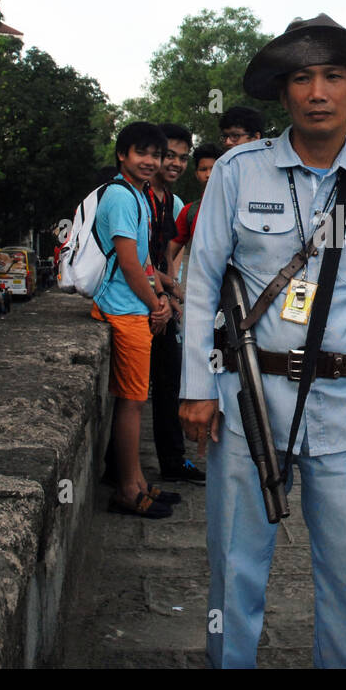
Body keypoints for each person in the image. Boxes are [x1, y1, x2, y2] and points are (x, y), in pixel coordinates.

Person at [179, 14, 346, 669]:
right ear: (284, 93)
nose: (318, 91)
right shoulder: (237, 172)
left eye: (334, 76)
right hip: (247, 405)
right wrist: (196, 388)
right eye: (302, 77)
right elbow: (201, 283)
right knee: (235, 572)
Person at [93, 122, 177, 518]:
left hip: (136, 305)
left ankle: (138, 481)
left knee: (134, 401)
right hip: (123, 309)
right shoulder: (122, 197)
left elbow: (144, 260)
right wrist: (155, 303)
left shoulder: (138, 195)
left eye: (156, 155)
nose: (151, 162)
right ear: (122, 155)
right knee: (131, 403)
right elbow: (129, 264)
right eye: (141, 153)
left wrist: (161, 293)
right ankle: (127, 489)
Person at [145, 122, 204, 486]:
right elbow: (135, 259)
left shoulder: (170, 201)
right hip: (139, 303)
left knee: (167, 383)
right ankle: (124, 473)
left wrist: (169, 293)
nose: (176, 163)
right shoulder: (138, 196)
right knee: (136, 394)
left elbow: (165, 257)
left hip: (158, 300)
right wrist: (166, 294)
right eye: (170, 155)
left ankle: (171, 460)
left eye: (183, 158)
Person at [168, 142, 223, 271]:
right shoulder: (189, 212)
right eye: (203, 169)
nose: (209, 174)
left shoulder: (241, 206)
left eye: (214, 168)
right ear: (196, 174)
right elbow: (167, 256)